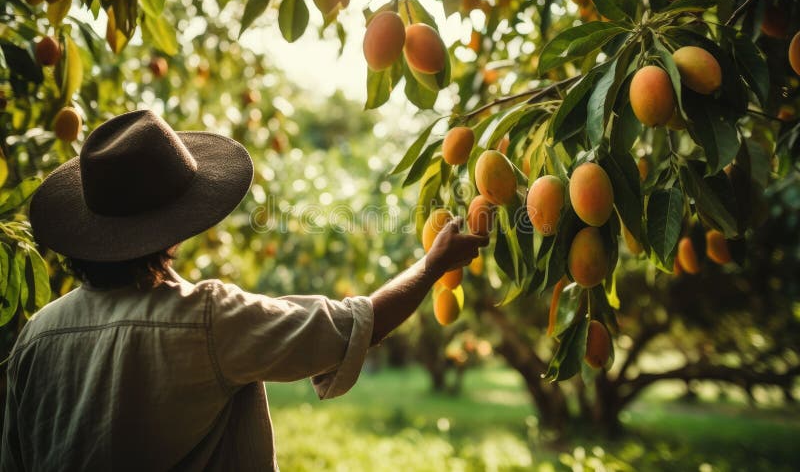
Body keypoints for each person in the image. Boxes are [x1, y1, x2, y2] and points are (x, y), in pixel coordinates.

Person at [0, 109, 488, 471]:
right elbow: (355, 325)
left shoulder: (36, 337)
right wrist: (432, 265)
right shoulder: (208, 319)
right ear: (172, 230)